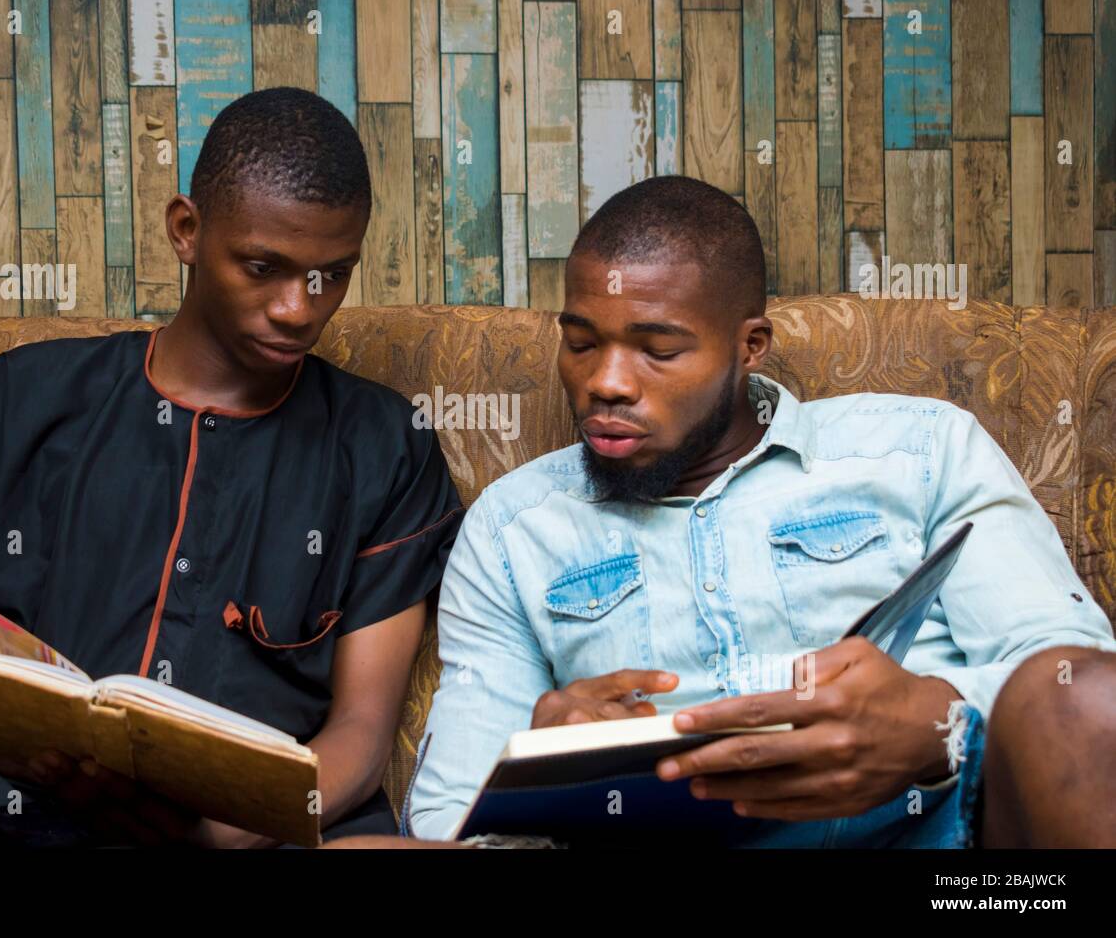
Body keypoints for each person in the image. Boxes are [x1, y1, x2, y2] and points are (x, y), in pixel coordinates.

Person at [405, 175, 1116, 848]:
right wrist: (533, 759)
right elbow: (442, 818)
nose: (606, 383)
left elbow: (1069, 676)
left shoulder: (923, 451)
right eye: (582, 344)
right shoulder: (510, 529)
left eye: (657, 350)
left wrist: (937, 721)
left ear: (750, 348)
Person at [0, 88, 462, 848]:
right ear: (186, 230)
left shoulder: (386, 444)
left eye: (330, 275)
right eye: (262, 266)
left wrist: (214, 835)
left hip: (250, 835)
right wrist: (34, 753)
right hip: (12, 813)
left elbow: (362, 733)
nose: (297, 309)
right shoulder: (29, 395)